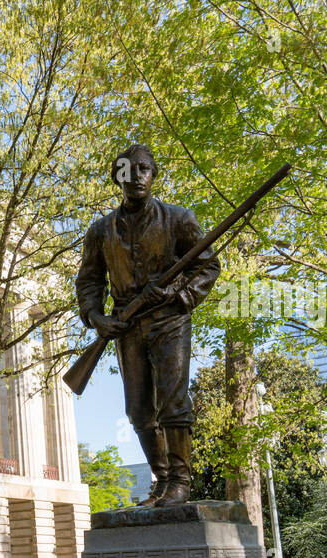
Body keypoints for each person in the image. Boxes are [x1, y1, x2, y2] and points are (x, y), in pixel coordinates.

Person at [75, 144, 220, 507]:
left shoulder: (179, 219)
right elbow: (89, 281)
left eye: (144, 169)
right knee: (138, 411)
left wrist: (178, 297)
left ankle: (180, 483)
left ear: (153, 175)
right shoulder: (100, 232)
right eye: (128, 170)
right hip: (128, 327)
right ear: (117, 177)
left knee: (173, 402)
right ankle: (162, 481)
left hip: (170, 320)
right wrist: (97, 318)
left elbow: (207, 267)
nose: (136, 176)